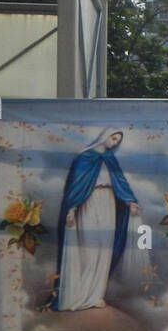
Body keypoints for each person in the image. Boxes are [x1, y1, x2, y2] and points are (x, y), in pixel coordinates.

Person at [47, 127, 140, 311]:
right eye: (113, 138)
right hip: (88, 203)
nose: (114, 143)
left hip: (108, 203)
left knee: (104, 248)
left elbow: (120, 183)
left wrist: (130, 202)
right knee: (88, 249)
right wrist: (72, 208)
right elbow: (76, 186)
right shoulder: (85, 158)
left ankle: (96, 295)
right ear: (104, 136)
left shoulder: (110, 159)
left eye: (117, 141)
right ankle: (78, 293)